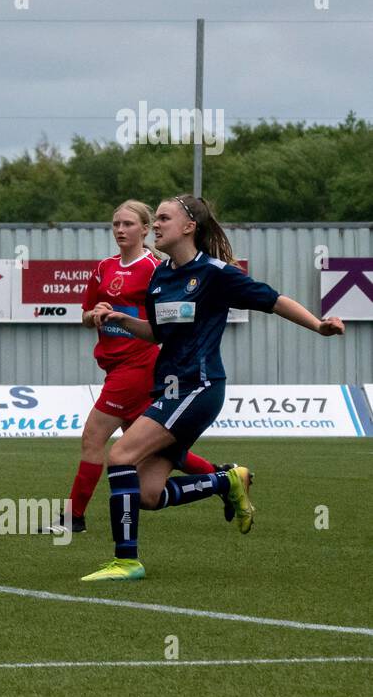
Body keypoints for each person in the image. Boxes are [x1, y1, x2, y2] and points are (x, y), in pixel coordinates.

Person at [82, 195, 344, 581]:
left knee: (119, 455)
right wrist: (120, 320)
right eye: (156, 219)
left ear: (189, 227)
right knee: (149, 494)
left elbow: (274, 301)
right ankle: (227, 480)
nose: (157, 224)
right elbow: (157, 333)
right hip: (170, 390)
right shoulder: (161, 275)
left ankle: (127, 561)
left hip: (199, 387)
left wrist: (319, 325)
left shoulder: (216, 273)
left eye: (165, 218)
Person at [43, 200, 228, 535]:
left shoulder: (155, 268)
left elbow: (166, 322)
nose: (120, 230)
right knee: (155, 447)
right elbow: (84, 317)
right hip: (113, 366)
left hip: (139, 366)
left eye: (128, 224)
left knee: (93, 437)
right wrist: (95, 314)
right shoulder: (103, 268)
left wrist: (134, 322)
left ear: (145, 229)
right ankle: (224, 476)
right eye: (116, 224)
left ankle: (74, 518)